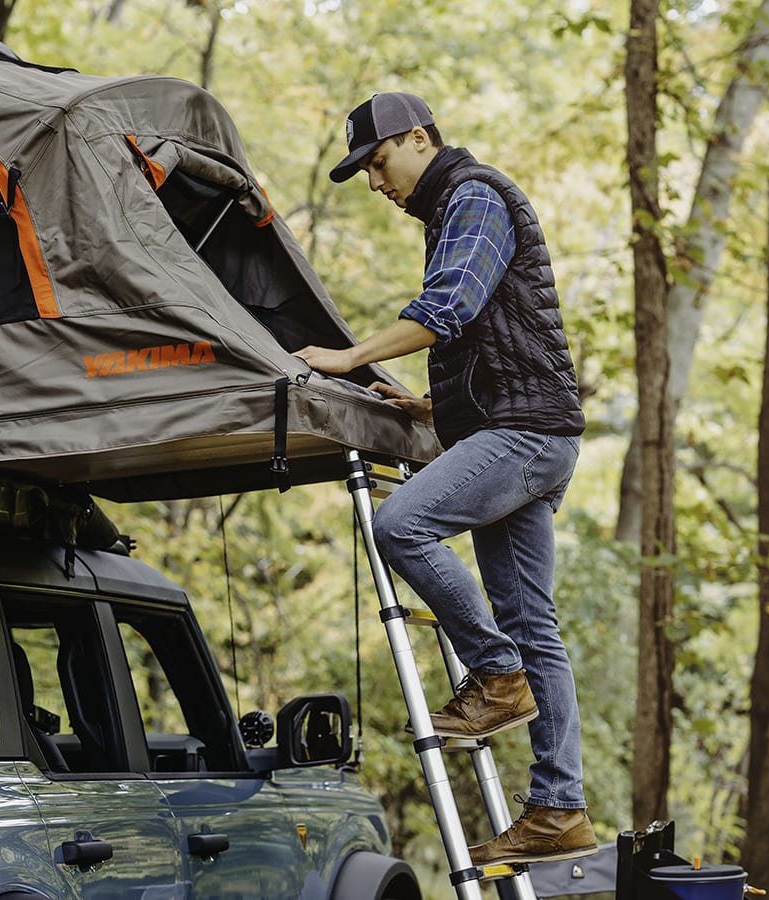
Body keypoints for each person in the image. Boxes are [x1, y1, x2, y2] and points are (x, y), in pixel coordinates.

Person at [296, 92, 595, 866]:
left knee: (401, 524)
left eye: (378, 163)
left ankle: (495, 675)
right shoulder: (456, 210)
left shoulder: (472, 198)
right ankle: (560, 809)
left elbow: (450, 309)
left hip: (523, 436)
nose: (375, 183)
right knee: (537, 630)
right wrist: (432, 402)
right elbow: (501, 335)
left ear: (419, 139)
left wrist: (349, 358)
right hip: (525, 428)